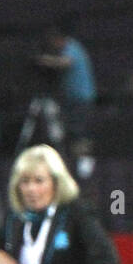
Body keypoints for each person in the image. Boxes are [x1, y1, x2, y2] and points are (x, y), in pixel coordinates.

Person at [35, 24, 97, 171]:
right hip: (71, 98)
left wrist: (45, 61)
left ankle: (84, 163)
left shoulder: (72, 47)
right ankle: (71, 160)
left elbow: (66, 63)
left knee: (79, 130)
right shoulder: (66, 48)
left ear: (59, 39)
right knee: (69, 129)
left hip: (82, 97)